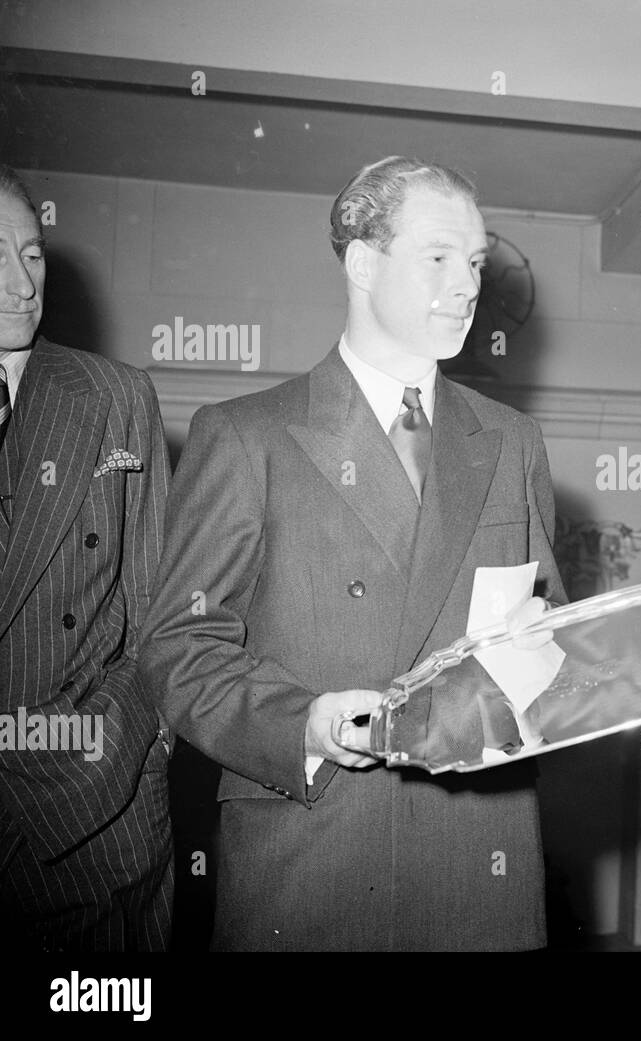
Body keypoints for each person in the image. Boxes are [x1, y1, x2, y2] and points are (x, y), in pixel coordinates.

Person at [140, 157, 563, 950]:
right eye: (439, 257)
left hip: (479, 864)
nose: (469, 284)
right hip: (312, 858)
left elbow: (552, 638)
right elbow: (179, 646)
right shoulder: (245, 435)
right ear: (364, 262)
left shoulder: (512, 441)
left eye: (475, 262)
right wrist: (303, 723)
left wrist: (623, 632)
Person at [0, 165, 173, 950]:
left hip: (95, 822)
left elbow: (162, 607)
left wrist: (127, 748)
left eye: (32, 255)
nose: (20, 283)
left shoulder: (114, 396)